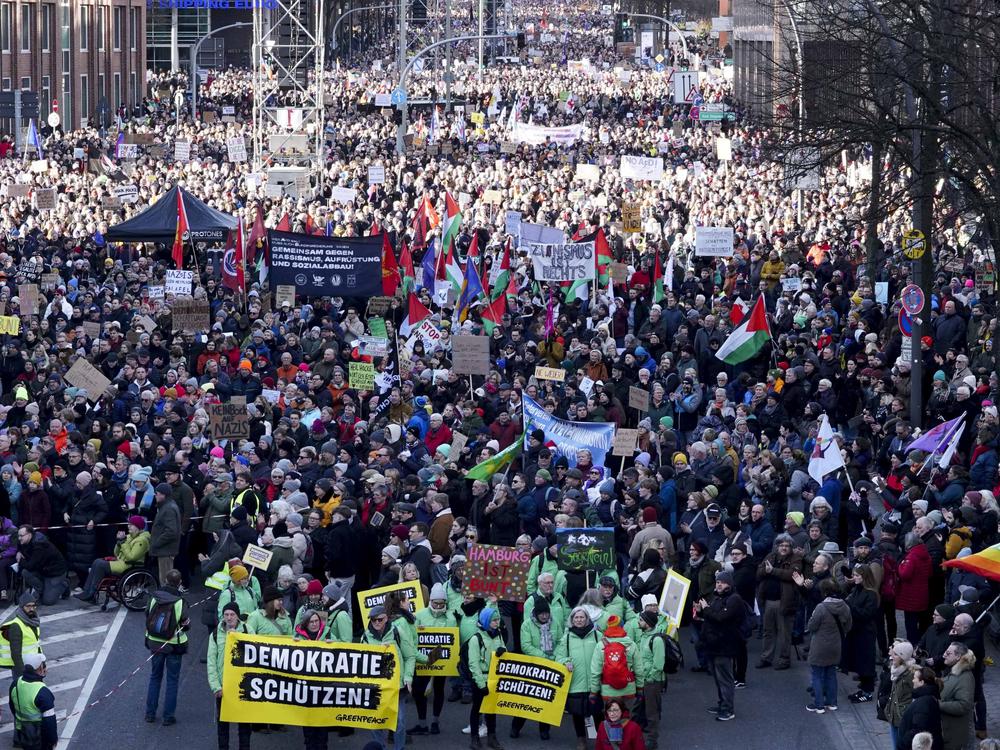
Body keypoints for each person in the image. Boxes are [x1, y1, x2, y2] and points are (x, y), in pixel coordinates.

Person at [362, 604, 416, 750]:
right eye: (373, 620)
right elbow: (360, 662)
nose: (377, 623)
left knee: (399, 722)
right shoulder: (366, 637)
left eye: (380, 619)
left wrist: (408, 677)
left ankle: (399, 748)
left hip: (396, 687)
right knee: (375, 723)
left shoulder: (397, 632)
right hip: (376, 688)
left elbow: (410, 656)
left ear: (386, 618)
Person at [695, 570, 745, 722]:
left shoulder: (734, 599)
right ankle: (722, 703)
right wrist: (701, 612)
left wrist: (706, 609)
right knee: (718, 678)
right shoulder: (718, 597)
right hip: (713, 645)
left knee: (725, 679)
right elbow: (711, 617)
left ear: (729, 584)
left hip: (725, 646)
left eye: (722, 582)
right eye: (717, 582)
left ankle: (728, 709)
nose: (718, 585)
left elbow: (720, 618)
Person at [144, 568, 190, 726]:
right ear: (180, 583)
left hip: (155, 643)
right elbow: (184, 623)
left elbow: (147, 614)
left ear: (165, 581)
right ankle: (168, 716)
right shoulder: (180, 601)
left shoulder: (154, 597)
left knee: (155, 677)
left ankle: (150, 713)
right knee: (172, 680)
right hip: (174, 646)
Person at [74, 515, 150, 603]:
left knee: (100, 564)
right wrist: (119, 542)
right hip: (122, 562)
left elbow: (132, 557)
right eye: (128, 524)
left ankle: (92, 592)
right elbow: (116, 553)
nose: (128, 526)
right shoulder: (129, 536)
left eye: (131, 525)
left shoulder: (142, 540)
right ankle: (87, 591)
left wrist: (123, 543)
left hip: (130, 565)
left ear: (138, 527)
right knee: (97, 561)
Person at [207, 602, 251, 750]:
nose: (229, 617)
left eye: (232, 614)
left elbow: (258, 654)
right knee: (222, 725)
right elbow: (211, 662)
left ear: (237, 615)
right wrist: (215, 687)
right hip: (223, 686)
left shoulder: (247, 630)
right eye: (226, 614)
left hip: (244, 686)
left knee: (244, 725)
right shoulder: (216, 633)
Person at [410, 582, 452, 737]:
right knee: (417, 690)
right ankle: (422, 723)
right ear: (431, 601)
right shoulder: (420, 615)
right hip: (424, 660)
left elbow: (452, 639)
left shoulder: (450, 617)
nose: (439, 606)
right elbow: (414, 637)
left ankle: (435, 721)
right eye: (436, 603)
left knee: (439, 690)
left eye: (442, 603)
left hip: (441, 661)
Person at [555, 607, 601, 750]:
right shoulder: (567, 638)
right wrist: (565, 662)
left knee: (598, 712)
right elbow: (559, 657)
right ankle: (581, 739)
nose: (579, 620)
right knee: (577, 713)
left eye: (582, 617)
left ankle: (603, 738)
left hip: (595, 682)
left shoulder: (597, 635)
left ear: (587, 619)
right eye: (576, 617)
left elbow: (605, 652)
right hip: (576, 682)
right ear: (572, 620)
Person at [756, 533, 803, 670]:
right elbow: (759, 572)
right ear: (776, 546)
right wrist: (767, 571)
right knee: (768, 631)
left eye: (786, 545)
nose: (783, 548)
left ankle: (784, 659)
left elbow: (791, 575)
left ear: (791, 547)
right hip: (768, 600)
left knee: (784, 633)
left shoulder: (796, 558)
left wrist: (772, 571)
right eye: (781, 545)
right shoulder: (770, 556)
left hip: (785, 601)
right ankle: (766, 658)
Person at [805, 578, 852, 713]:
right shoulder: (845, 606)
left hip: (820, 646)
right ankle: (832, 702)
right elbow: (848, 626)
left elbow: (811, 626)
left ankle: (819, 704)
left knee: (817, 675)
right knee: (831, 674)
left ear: (824, 592)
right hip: (836, 645)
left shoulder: (821, 607)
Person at [468, 607, 506, 750]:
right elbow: (474, 664)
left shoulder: (498, 635)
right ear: (486, 621)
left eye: (498, 620)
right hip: (481, 679)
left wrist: (503, 651)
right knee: (477, 709)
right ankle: (474, 738)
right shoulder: (475, 639)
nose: (497, 623)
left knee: (491, 709)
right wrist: (480, 684)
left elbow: (504, 651)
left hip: (494, 678)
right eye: (494, 620)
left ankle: (492, 737)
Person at [8, 652, 57, 750]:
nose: (46, 668)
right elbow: (49, 722)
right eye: (44, 665)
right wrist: (53, 740)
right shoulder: (43, 692)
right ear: (40, 668)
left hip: (22, 732)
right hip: (39, 737)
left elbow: (12, 706)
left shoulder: (16, 683)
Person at [14, 526, 67, 606]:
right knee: (25, 572)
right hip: (43, 569)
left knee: (48, 601)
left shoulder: (39, 546)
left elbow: (30, 566)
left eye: (21, 536)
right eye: (18, 535)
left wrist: (20, 559)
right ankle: (40, 588)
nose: (19, 538)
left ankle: (64, 584)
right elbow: (19, 548)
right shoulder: (25, 541)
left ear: (29, 534)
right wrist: (18, 552)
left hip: (55, 572)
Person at [938, 643, 975, 750]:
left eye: (948, 653)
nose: (944, 655)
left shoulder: (965, 678)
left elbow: (963, 705)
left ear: (958, 657)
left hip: (955, 735)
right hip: (948, 730)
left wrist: (939, 704)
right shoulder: (953, 671)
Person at [897, 666, 944, 750]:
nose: (912, 680)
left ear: (922, 682)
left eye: (914, 678)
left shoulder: (924, 702)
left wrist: (903, 743)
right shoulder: (928, 697)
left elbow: (919, 729)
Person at [0, 591, 41, 679]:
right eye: (28, 606)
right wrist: (23, 673)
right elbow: (15, 653)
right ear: (22, 607)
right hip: (22, 668)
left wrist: (42, 663)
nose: (31, 609)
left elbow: (36, 644)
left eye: (33, 606)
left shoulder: (34, 621)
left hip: (33, 663)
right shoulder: (16, 625)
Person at [885, 641, 917, 750]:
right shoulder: (896, 670)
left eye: (895, 654)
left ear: (902, 657)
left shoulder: (911, 673)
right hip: (894, 715)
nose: (891, 656)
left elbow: (917, 696)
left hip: (903, 716)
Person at [150, 482, 181, 585]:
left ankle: (167, 600)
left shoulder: (168, 508)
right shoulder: (166, 506)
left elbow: (171, 531)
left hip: (166, 550)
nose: (155, 495)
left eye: (157, 493)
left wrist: (157, 543)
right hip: (165, 549)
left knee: (166, 580)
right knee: (165, 579)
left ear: (163, 494)